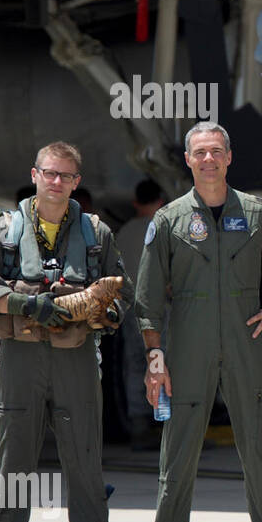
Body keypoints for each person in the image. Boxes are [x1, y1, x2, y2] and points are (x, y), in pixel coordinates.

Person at [136, 121, 262, 522]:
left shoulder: (257, 213)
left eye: (216, 151)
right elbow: (148, 300)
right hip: (187, 347)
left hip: (245, 343)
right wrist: (156, 360)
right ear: (189, 161)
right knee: (178, 451)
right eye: (200, 153)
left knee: (260, 446)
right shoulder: (169, 220)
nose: (208, 159)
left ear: (229, 158)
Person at [0, 143, 130, 522]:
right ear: (35, 175)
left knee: (84, 463)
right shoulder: (2, 232)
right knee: (14, 462)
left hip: (76, 356)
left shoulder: (96, 234)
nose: (56, 181)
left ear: (77, 181)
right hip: (20, 358)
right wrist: (29, 304)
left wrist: (105, 312)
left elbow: (122, 291)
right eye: (49, 173)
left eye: (66, 175)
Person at [115, 179, 166, 446]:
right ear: (161, 201)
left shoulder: (123, 232)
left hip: (131, 311)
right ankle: (166, 424)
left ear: (136, 202)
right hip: (158, 313)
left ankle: (139, 425)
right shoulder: (162, 229)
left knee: (136, 365)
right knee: (162, 364)